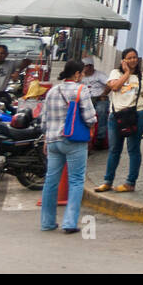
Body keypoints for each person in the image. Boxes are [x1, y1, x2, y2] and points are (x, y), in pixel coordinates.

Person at [40, 60, 96, 234]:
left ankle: (47, 222)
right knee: (76, 180)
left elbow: (43, 120)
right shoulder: (81, 90)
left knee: (51, 181)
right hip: (74, 141)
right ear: (77, 74)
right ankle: (69, 223)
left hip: (53, 141)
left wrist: (46, 139)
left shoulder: (52, 91)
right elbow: (90, 118)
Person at [94, 48, 143, 193]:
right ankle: (107, 181)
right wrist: (126, 73)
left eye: (135, 57)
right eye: (129, 58)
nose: (133, 60)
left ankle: (130, 182)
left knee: (133, 149)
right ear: (123, 60)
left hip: (136, 115)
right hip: (116, 116)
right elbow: (114, 87)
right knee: (114, 150)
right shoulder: (115, 73)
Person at [81, 61, 110, 150]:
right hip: (86, 99)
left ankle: (100, 138)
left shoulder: (99, 75)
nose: (86, 69)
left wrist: (104, 94)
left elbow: (109, 84)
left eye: (88, 67)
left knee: (101, 111)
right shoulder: (81, 76)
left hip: (99, 99)